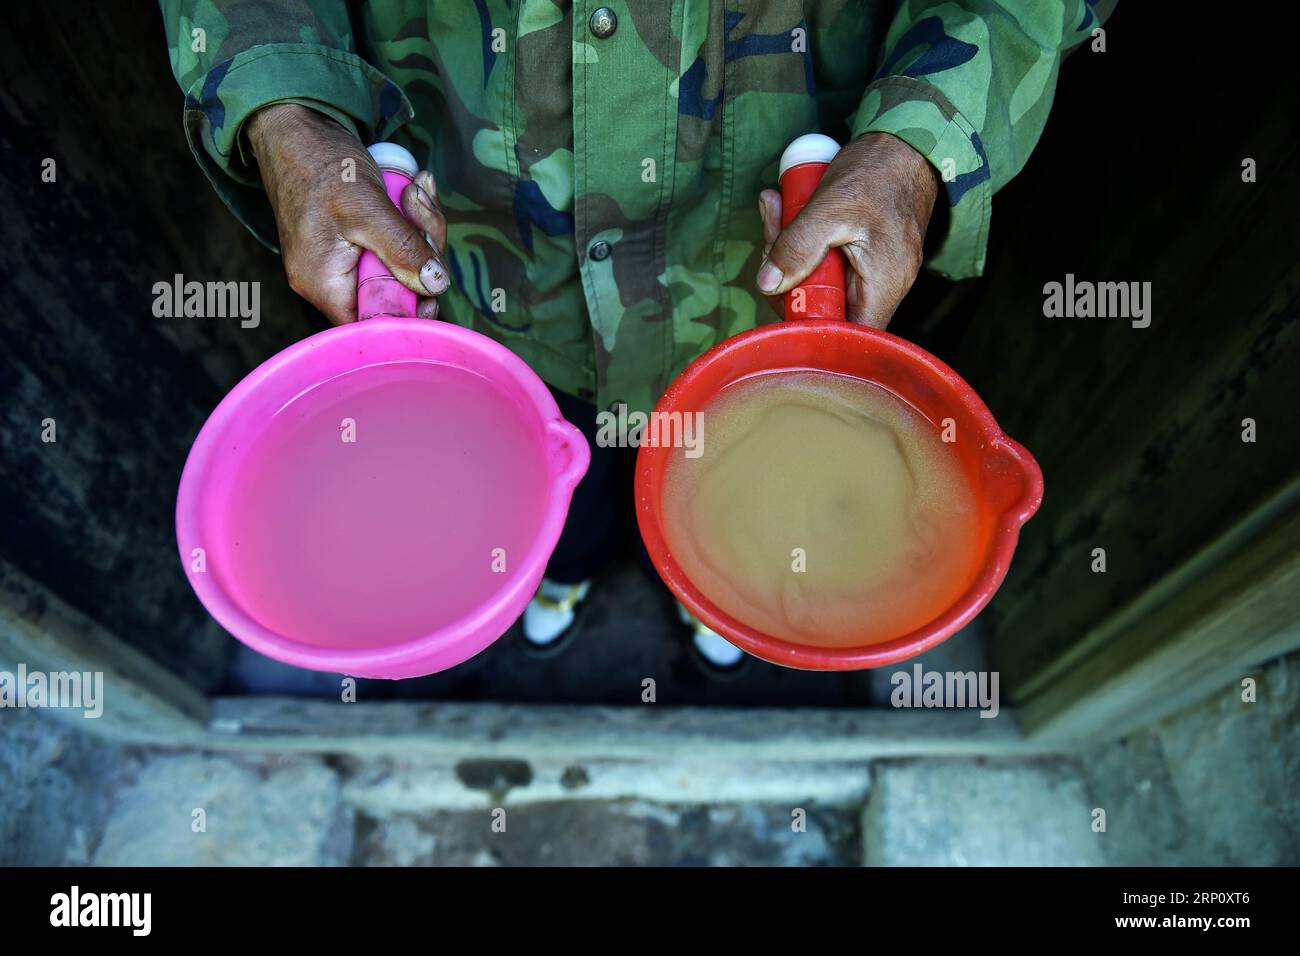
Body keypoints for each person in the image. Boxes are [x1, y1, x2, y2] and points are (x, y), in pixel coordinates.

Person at [162, 0, 1113, 675]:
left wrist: (921, 139)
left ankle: (720, 592)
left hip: (753, 299)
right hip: (495, 275)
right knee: (560, 503)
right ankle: (557, 577)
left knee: (747, 502)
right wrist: (283, 109)